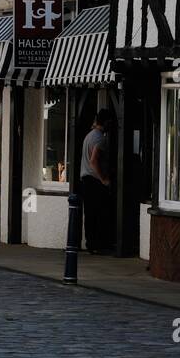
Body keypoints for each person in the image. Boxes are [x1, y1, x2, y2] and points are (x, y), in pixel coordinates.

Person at [79, 108, 115, 254]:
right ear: (106, 122)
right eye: (110, 122)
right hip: (94, 181)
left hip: (85, 180)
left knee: (90, 214)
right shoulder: (100, 138)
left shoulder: (89, 136)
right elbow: (94, 160)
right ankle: (98, 245)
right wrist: (104, 179)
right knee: (100, 213)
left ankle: (91, 244)